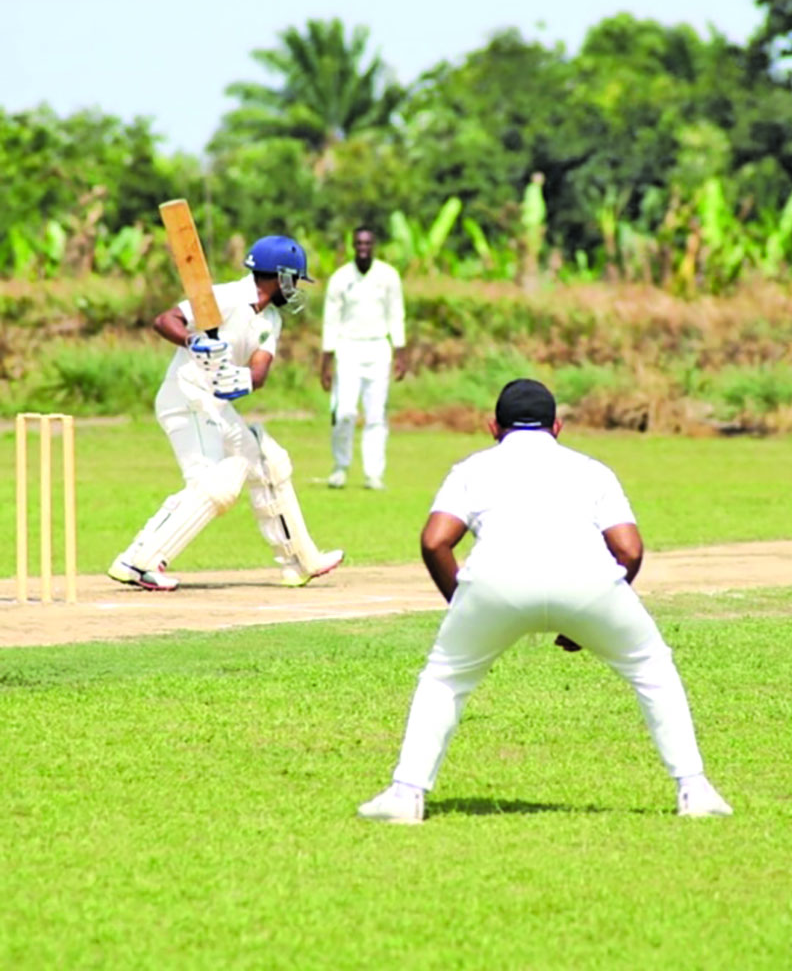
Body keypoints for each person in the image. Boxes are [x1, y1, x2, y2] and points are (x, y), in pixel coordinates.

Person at [358, 378, 732, 824]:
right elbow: (629, 549)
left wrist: (466, 606)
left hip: (494, 582)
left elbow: (435, 540)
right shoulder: (592, 470)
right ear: (557, 427)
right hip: (589, 581)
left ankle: (405, 795)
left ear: (493, 427)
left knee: (445, 678)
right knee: (652, 668)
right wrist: (590, 619)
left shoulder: (472, 469)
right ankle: (694, 790)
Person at [107, 235, 344, 592]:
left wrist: (239, 380)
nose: (295, 288)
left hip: (215, 404)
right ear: (280, 276)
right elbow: (165, 320)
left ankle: (300, 561)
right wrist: (193, 341)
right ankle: (138, 561)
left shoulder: (271, 320)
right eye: (294, 280)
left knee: (266, 461)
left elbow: (258, 373)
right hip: (185, 397)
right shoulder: (226, 297)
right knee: (215, 485)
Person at [320, 226, 406, 491]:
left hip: (378, 348)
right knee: (345, 412)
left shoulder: (388, 276)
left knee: (376, 415)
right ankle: (340, 467)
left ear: (374, 246)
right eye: (359, 243)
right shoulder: (341, 278)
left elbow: (396, 314)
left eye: (368, 243)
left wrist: (400, 351)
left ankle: (373, 474)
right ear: (353, 246)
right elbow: (331, 321)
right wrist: (326, 362)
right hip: (348, 348)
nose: (363, 248)